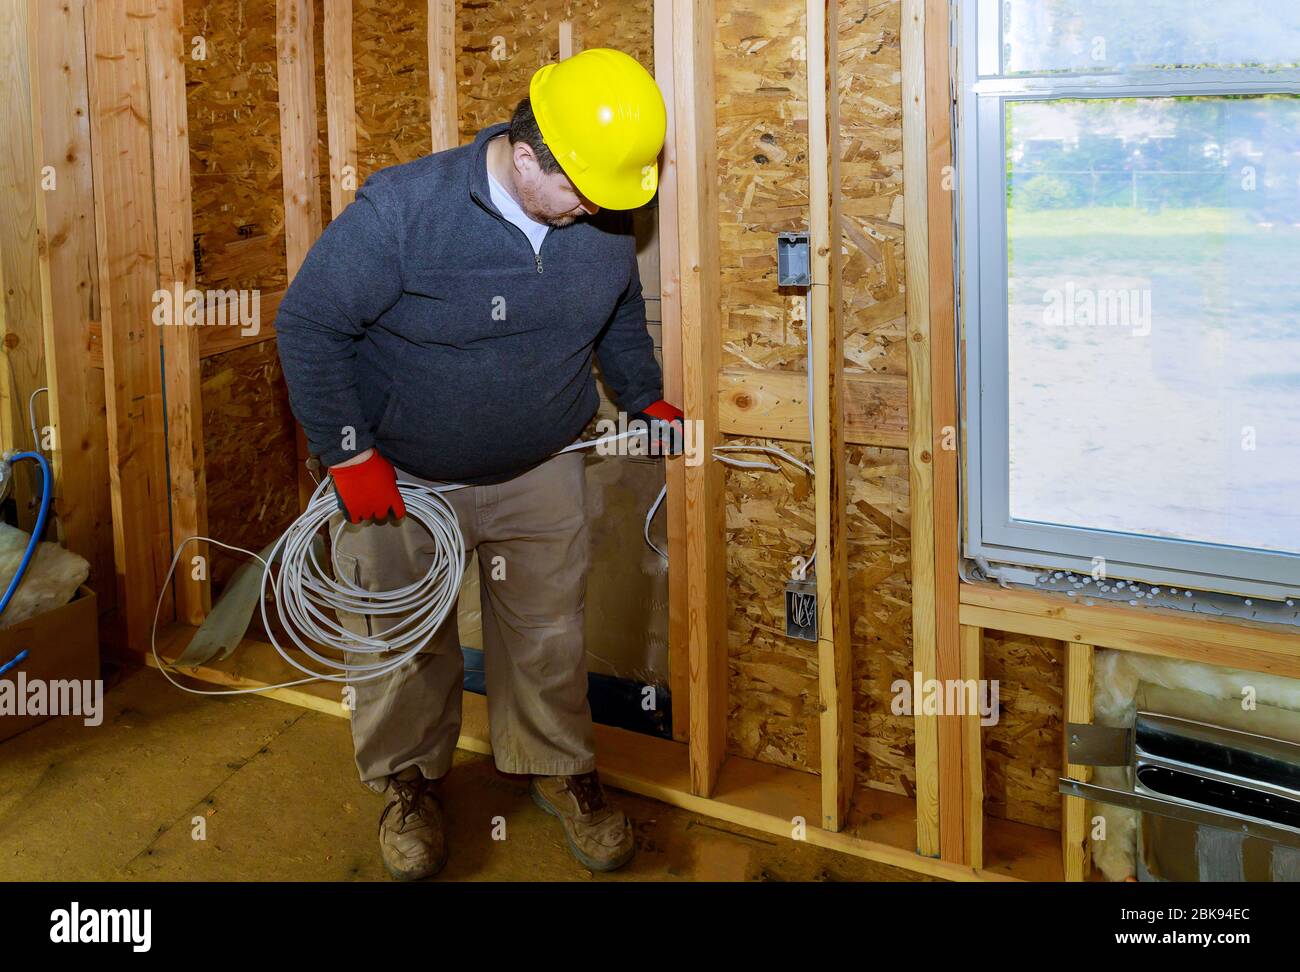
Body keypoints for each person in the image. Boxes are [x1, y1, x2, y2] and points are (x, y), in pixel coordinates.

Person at [274, 48, 681, 880]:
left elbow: (620, 313)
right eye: (578, 191)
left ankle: (555, 769)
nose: (596, 210)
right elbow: (309, 325)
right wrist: (349, 453)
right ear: (525, 156)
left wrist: (643, 395)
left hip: (539, 466)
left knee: (548, 634)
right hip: (403, 477)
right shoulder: (404, 210)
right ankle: (409, 785)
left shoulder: (597, 215)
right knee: (401, 638)